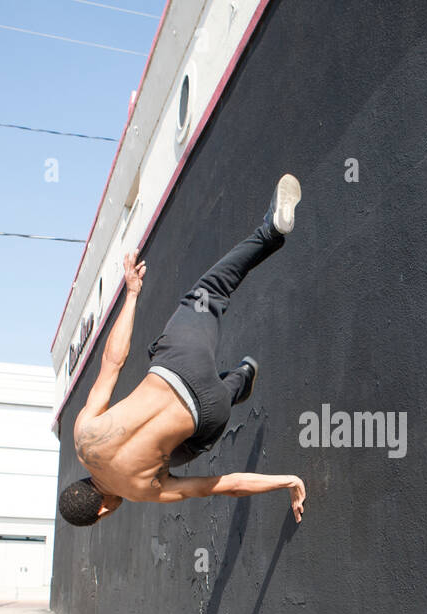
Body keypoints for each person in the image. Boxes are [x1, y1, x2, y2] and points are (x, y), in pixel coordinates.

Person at [57, 174, 307, 528]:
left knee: (179, 453)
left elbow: (220, 486)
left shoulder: (141, 490)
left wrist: (289, 481)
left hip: (208, 414)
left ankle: (240, 380)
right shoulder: (84, 435)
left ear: (101, 511)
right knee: (210, 290)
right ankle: (270, 232)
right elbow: (113, 362)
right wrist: (131, 295)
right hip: (178, 364)